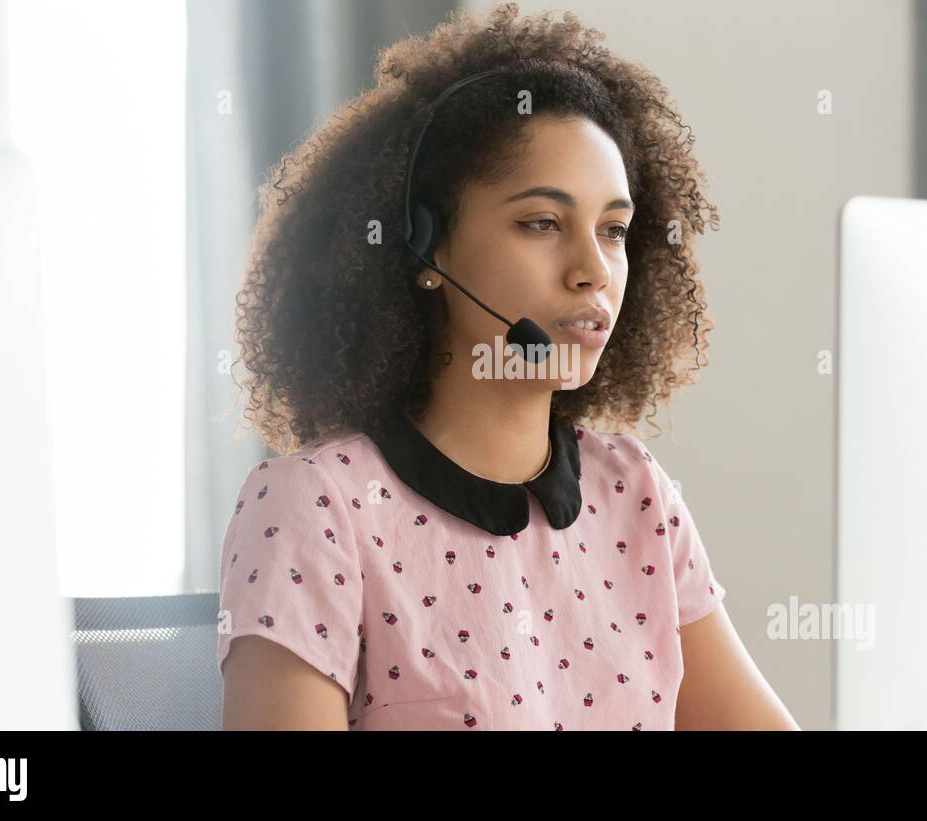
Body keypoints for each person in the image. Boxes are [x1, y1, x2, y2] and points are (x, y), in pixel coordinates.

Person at [217, 2, 798, 731]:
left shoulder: (636, 493)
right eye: (541, 224)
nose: (594, 270)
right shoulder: (316, 506)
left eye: (613, 230)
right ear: (428, 251)